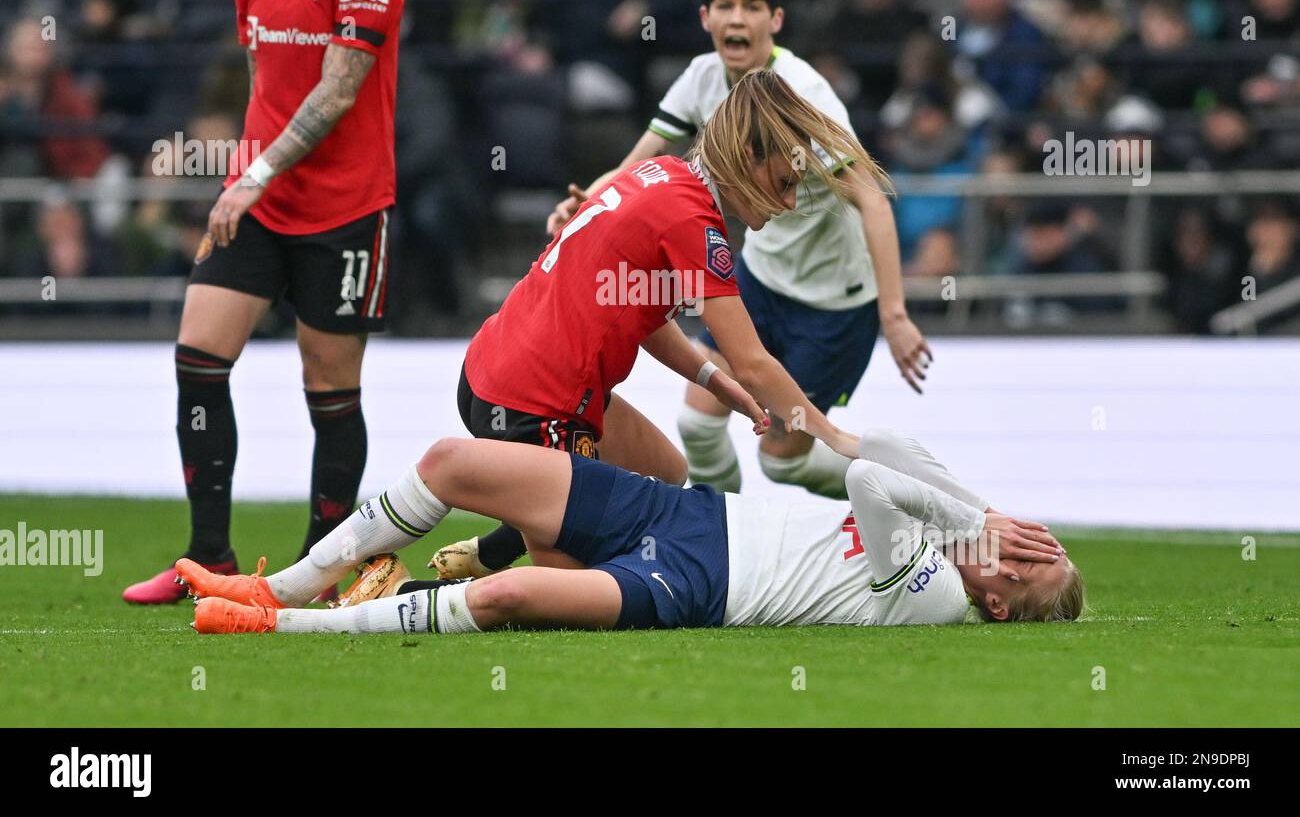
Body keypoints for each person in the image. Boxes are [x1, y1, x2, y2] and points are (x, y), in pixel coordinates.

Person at [443, 68, 881, 580]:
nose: (787, 203)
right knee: (574, 593)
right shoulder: (693, 222)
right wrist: (834, 435)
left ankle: (491, 551)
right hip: (534, 405)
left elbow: (642, 311)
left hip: (495, 372)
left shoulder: (661, 176)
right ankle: (412, 596)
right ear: (746, 157)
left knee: (664, 474)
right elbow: (755, 364)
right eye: (784, 183)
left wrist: (714, 381)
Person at [544, 0, 931, 508]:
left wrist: (894, 315)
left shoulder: (802, 94)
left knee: (782, 459)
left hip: (832, 304)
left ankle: (906, 499)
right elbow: (637, 162)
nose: (738, 19)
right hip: (761, 276)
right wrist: (585, 206)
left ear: (775, 20)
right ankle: (725, 537)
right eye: (726, 6)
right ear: (706, 18)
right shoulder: (702, 76)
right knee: (697, 423)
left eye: (752, 8)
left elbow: (872, 199)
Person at [122, 0, 405, 603]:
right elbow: (264, 83)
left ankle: (324, 563)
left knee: (330, 386)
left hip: (345, 210)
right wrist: (247, 176)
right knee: (198, 360)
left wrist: (253, 173)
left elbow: (338, 90)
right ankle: (208, 556)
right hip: (260, 204)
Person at [176, 427, 1082, 634]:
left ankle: (281, 625)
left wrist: (974, 519)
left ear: (998, 606)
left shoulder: (933, 603)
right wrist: (978, 510)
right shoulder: (951, 539)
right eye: (1029, 542)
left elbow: (868, 477)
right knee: (455, 461)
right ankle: (280, 583)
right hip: (683, 514)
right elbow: (891, 444)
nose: (1010, 548)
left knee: (505, 592)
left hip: (698, 584)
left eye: (1023, 565)